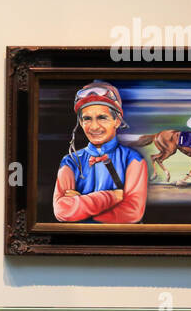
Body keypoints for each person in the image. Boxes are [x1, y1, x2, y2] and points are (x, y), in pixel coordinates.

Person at [52, 80, 148, 224]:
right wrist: (113, 197)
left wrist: (81, 207)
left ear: (117, 121)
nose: (94, 127)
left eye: (102, 118)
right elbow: (62, 211)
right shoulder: (70, 161)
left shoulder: (133, 159)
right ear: (81, 122)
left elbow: (132, 213)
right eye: (87, 119)